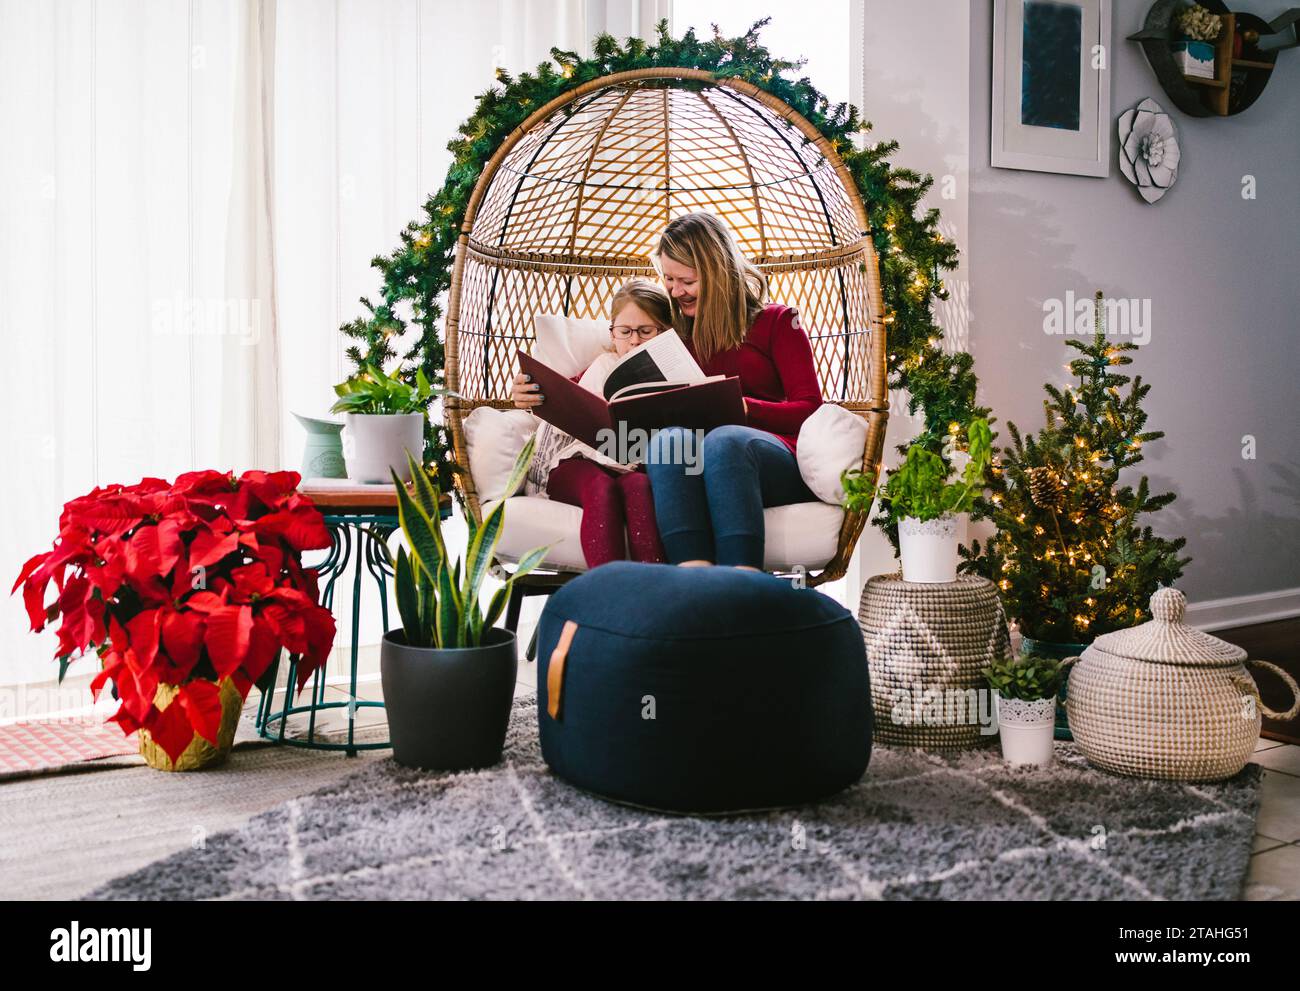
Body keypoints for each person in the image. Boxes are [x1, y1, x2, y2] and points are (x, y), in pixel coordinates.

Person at [647, 211, 822, 570]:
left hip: (766, 459)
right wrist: (537, 389)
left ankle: (740, 584)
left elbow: (810, 408)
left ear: (715, 272)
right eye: (668, 279)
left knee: (724, 440)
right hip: (698, 459)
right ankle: (694, 579)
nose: (675, 291)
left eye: (686, 280)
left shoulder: (777, 322)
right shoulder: (672, 335)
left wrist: (746, 409)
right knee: (667, 442)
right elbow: (608, 372)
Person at [510, 279, 669, 567]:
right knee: (601, 488)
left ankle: (652, 592)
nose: (634, 340)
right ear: (613, 332)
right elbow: (558, 394)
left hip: (630, 466)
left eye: (646, 331)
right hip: (575, 465)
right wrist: (527, 392)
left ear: (665, 333)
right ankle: (606, 592)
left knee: (639, 488)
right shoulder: (602, 365)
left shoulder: (673, 374)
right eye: (625, 331)